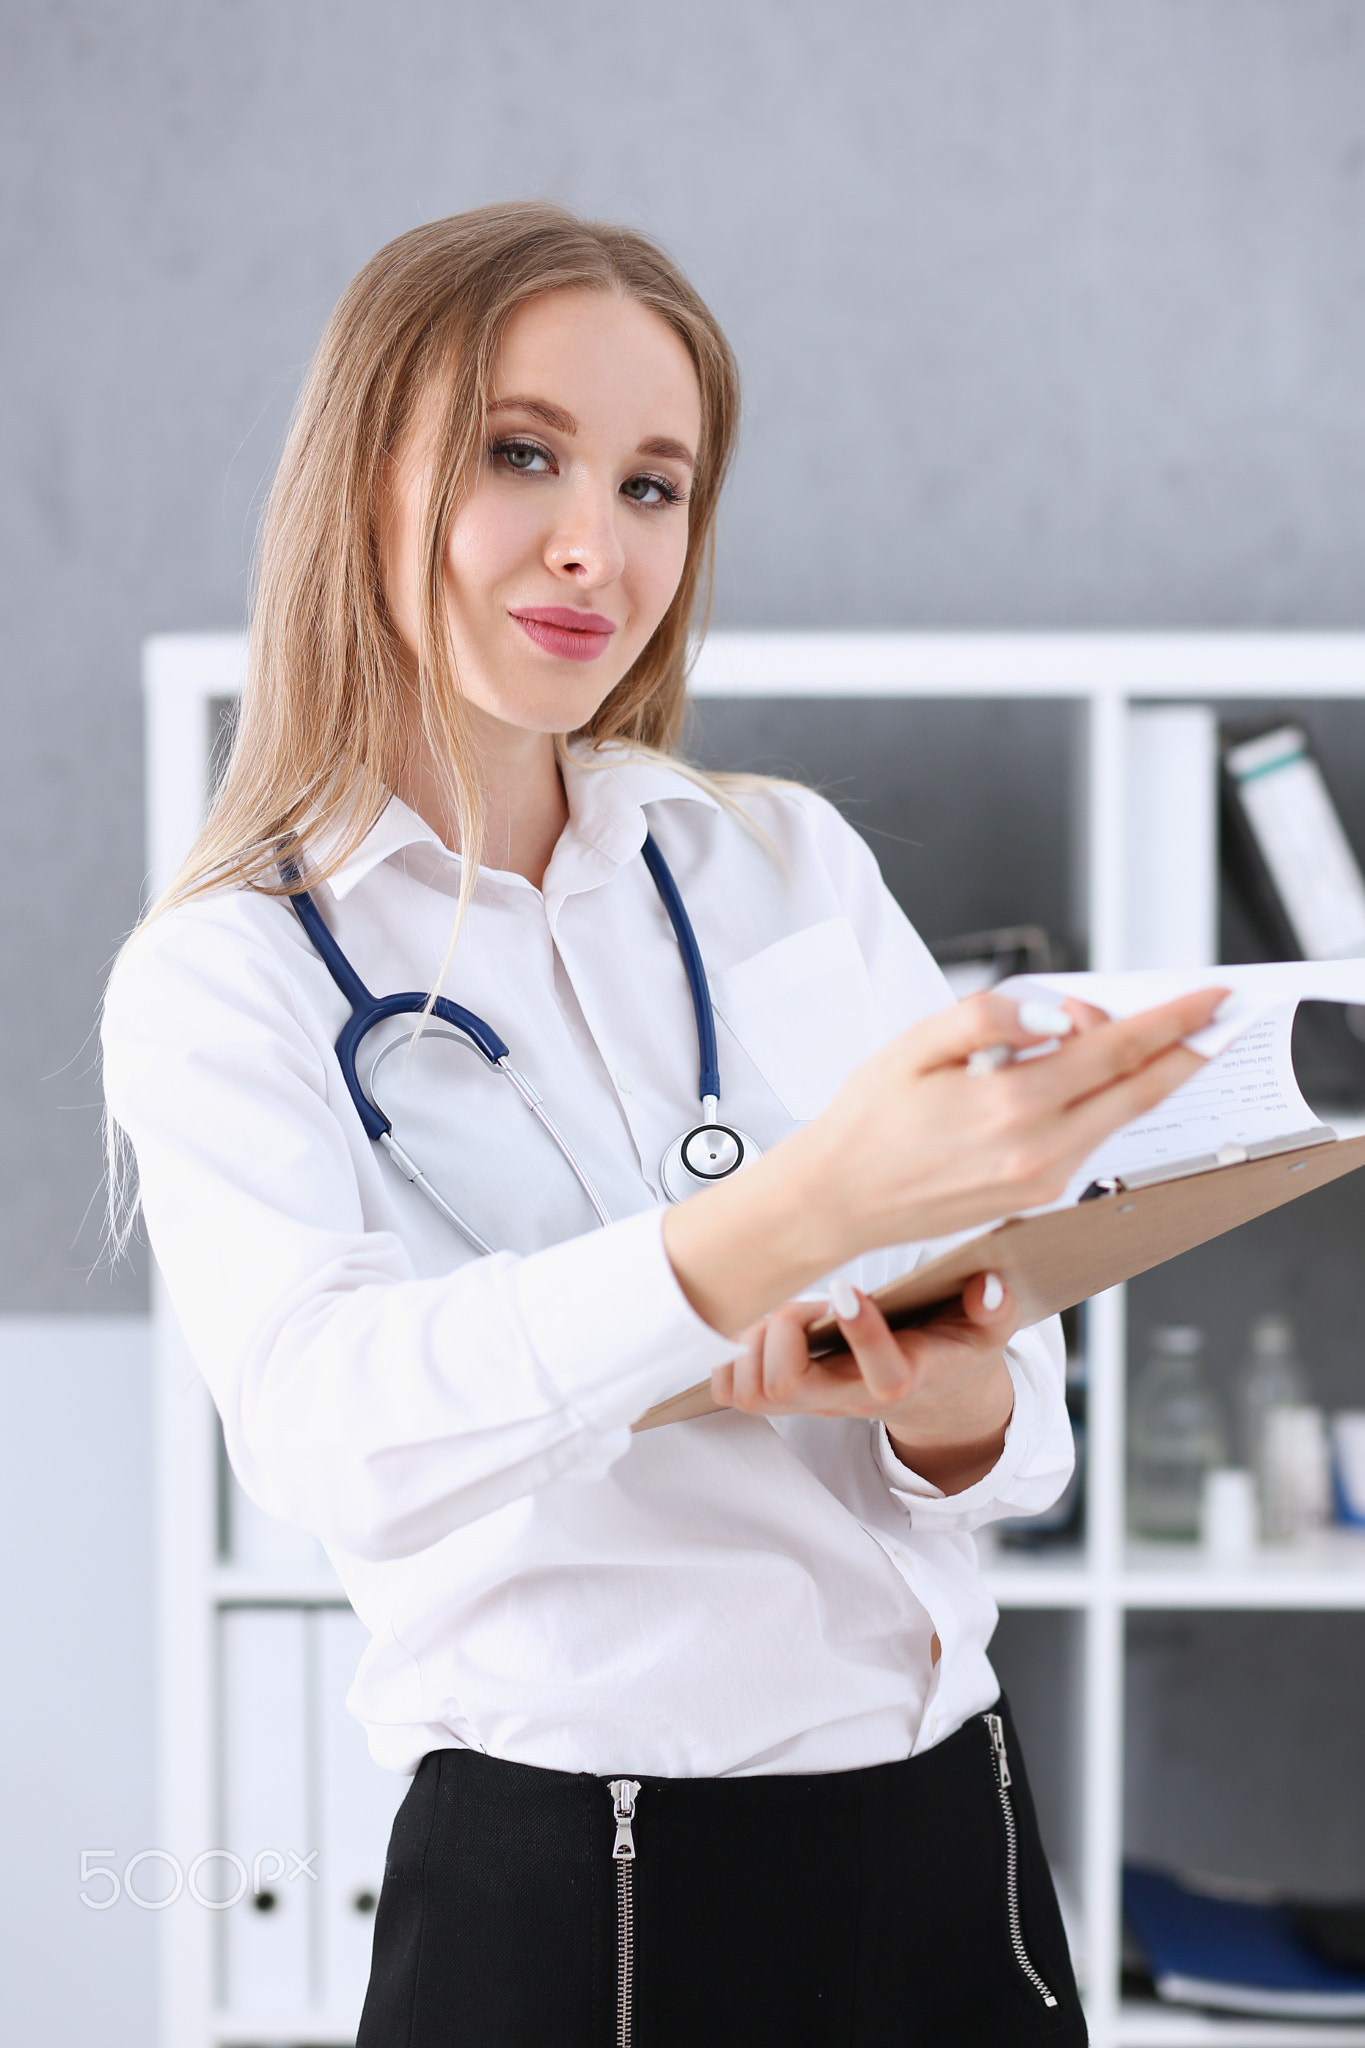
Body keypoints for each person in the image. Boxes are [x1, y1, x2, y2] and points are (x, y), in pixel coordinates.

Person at [102, 202, 1221, 2045]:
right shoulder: (228, 975)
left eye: (653, 486)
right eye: (519, 454)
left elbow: (1020, 1447)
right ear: (356, 472)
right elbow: (332, 1434)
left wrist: (951, 1402)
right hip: (587, 1896)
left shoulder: (775, 859)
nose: (589, 547)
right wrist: (787, 1222)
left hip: (955, 1830)